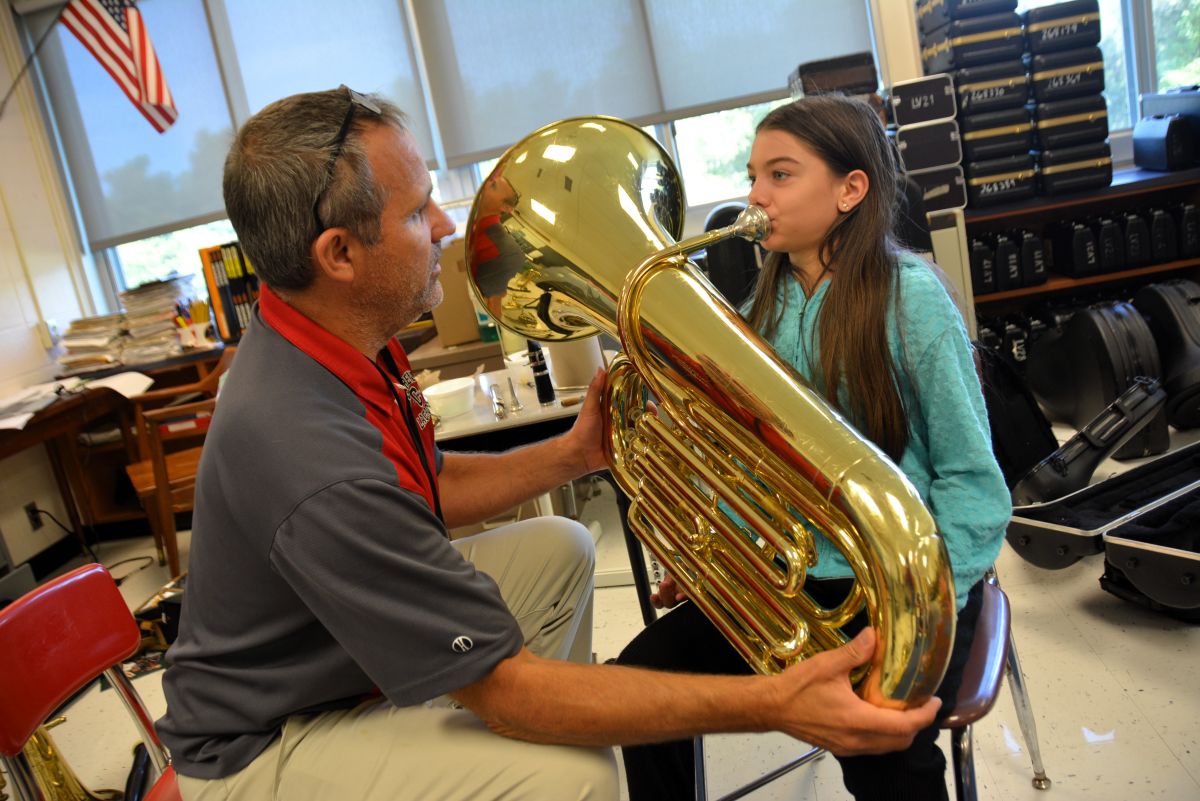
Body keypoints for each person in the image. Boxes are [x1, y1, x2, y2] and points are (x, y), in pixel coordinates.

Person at [155, 86, 943, 801]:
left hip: (338, 658)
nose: (443, 229)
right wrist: (777, 702)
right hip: (261, 745)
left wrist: (574, 455)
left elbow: (424, 484)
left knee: (563, 543)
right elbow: (506, 685)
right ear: (339, 255)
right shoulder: (306, 450)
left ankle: (491, 737)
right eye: (417, 211)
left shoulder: (337, 336)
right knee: (577, 774)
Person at [617, 94, 1011, 801]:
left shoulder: (910, 297)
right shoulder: (756, 311)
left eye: (780, 174)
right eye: (751, 174)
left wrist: (920, 609)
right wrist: (720, 556)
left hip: (908, 583)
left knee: (882, 754)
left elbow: (973, 481)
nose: (754, 194)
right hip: (792, 583)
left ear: (851, 190)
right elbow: (745, 465)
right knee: (640, 687)